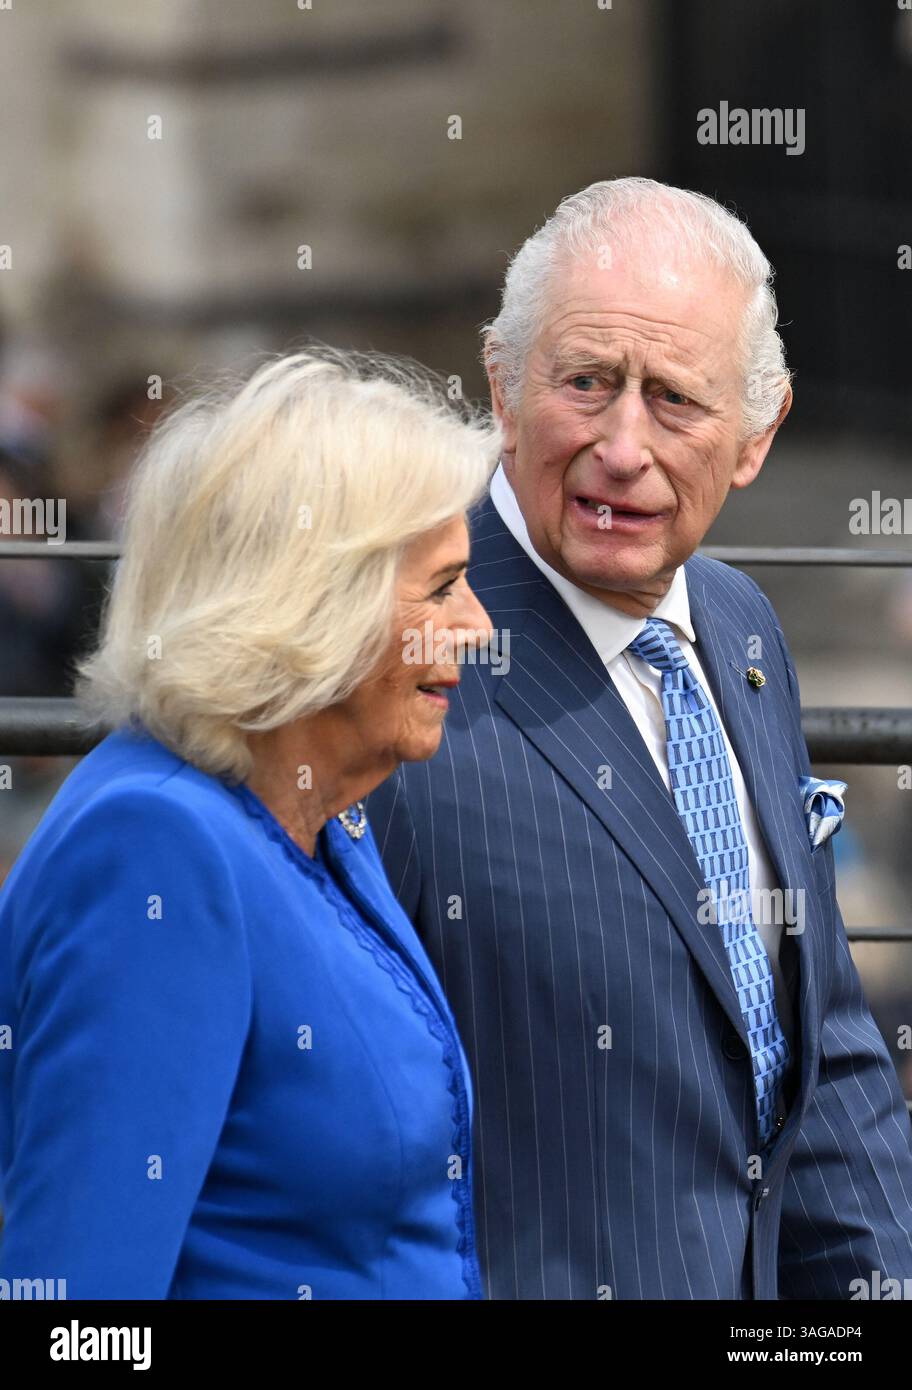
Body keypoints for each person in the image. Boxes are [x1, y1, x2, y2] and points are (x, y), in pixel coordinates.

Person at [366, 178, 912, 1300]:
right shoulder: (401, 651)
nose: (623, 445)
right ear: (503, 390)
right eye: (586, 383)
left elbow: (818, 1043)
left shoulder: (741, 626)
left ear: (759, 437)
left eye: (674, 399)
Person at [0, 347, 498, 1299]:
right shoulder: (156, 852)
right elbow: (80, 1300)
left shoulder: (320, 815)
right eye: (441, 588)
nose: (475, 626)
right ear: (313, 604)